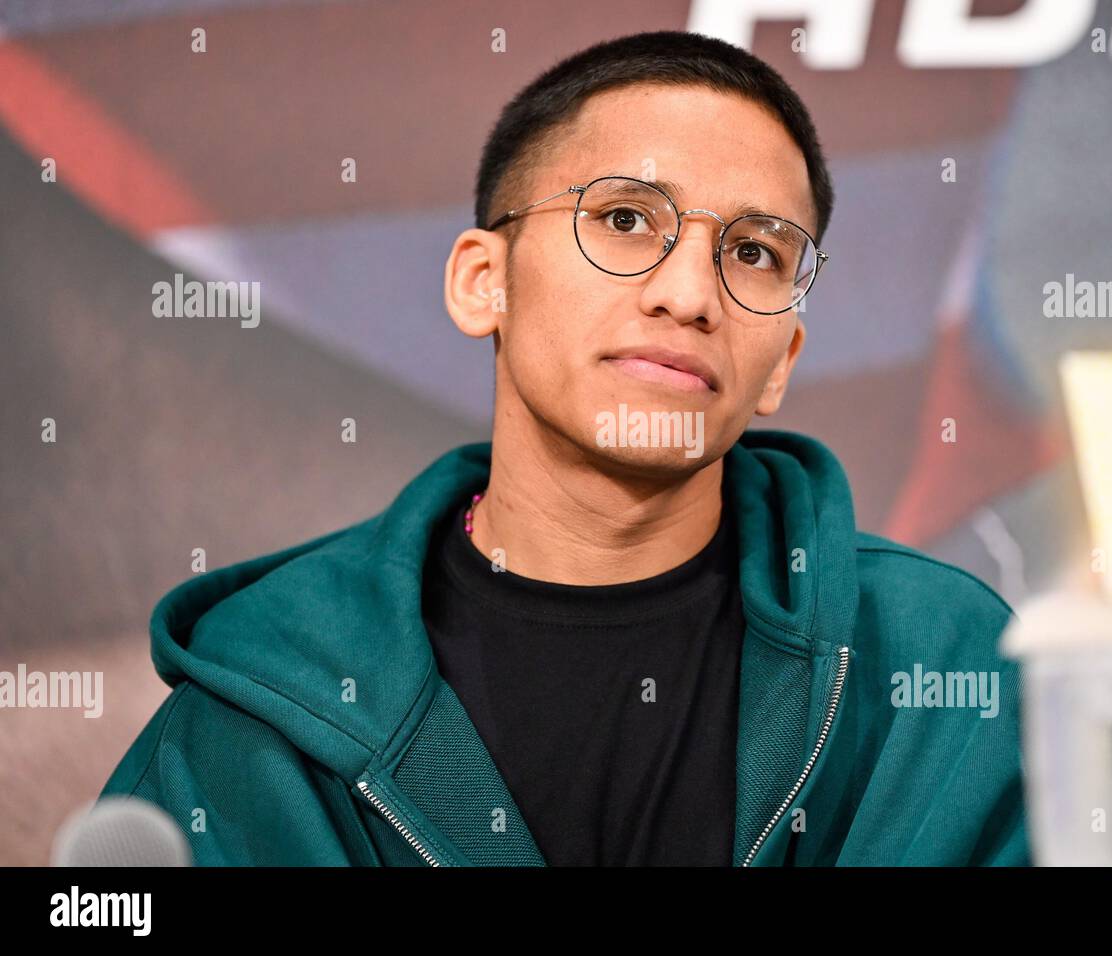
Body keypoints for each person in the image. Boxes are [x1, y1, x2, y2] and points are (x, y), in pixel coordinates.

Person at [98, 29, 1029, 866]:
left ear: (781, 360)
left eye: (754, 253)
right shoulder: (257, 711)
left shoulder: (942, 665)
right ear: (481, 282)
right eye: (625, 220)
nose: (691, 295)